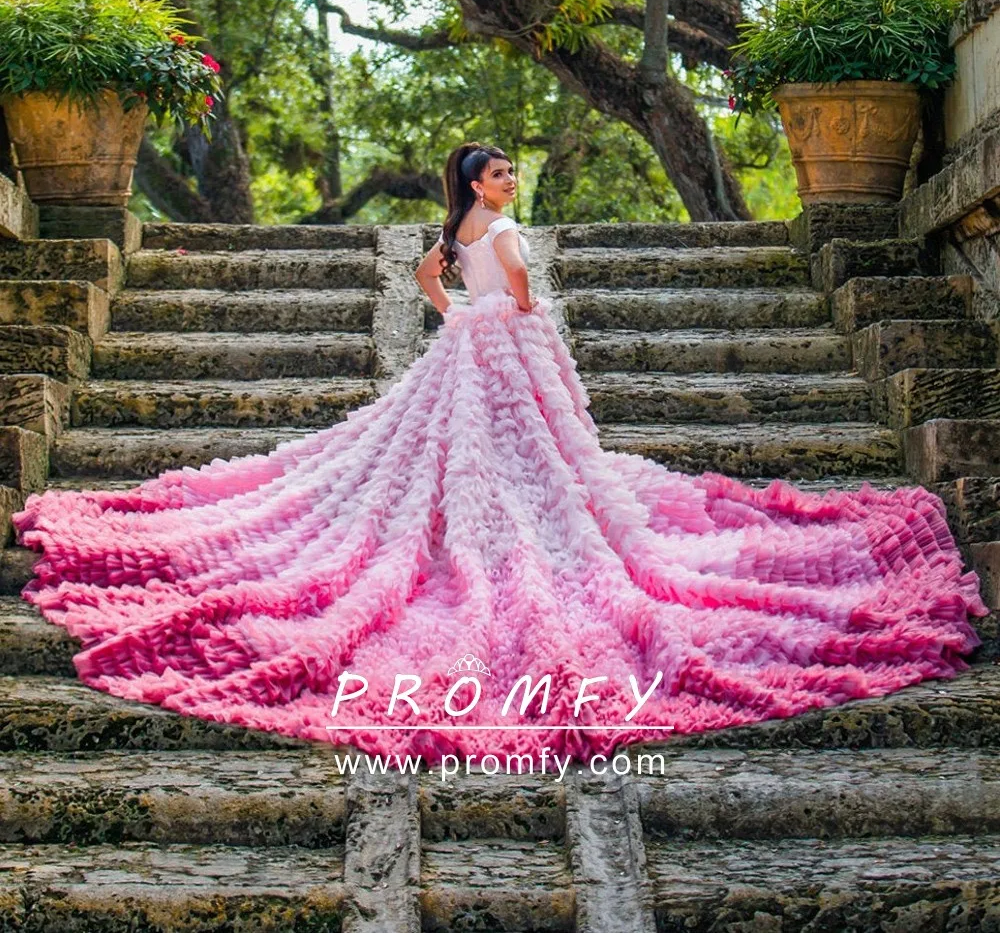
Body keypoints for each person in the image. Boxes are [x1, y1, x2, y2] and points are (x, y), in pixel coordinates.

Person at [11, 141, 988, 768]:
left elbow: (439, 290)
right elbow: (518, 297)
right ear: (479, 184)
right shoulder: (505, 231)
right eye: (499, 175)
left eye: (509, 177)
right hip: (505, 344)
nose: (508, 186)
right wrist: (520, 309)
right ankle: (522, 541)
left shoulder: (456, 230)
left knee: (445, 467)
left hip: (465, 347)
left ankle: (475, 535)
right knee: (543, 475)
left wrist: (463, 304)